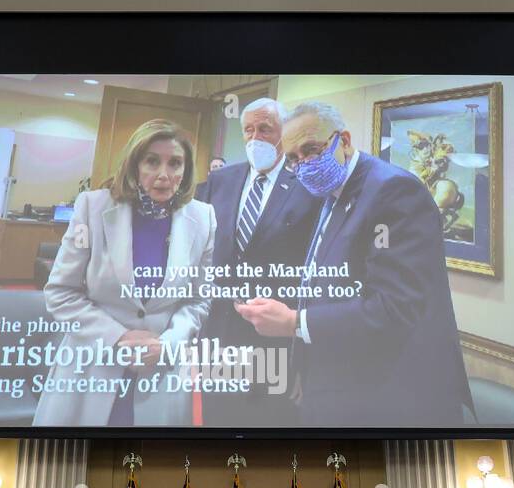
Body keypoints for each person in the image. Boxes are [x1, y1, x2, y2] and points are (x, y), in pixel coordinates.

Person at [235, 100, 473, 428]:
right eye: (293, 158)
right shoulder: (330, 191)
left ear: (344, 141)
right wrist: (305, 367)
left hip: (390, 398)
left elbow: (393, 307)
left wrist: (293, 322)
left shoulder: (392, 190)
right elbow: (324, 285)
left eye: (312, 149)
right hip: (334, 381)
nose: (303, 164)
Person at [34, 118, 216, 428]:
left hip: (159, 372)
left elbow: (198, 300)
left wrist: (167, 344)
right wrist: (119, 338)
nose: (163, 174)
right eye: (152, 161)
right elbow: (61, 292)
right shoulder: (92, 208)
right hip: (92, 367)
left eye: (175, 163)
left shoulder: (204, 217)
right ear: (134, 165)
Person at [198, 98, 322, 427]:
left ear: (285, 133)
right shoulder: (220, 181)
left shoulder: (308, 186)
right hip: (217, 332)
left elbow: (315, 277)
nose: (255, 139)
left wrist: (302, 359)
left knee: (266, 427)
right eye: (248, 130)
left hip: (273, 338)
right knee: (214, 421)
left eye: (265, 129)